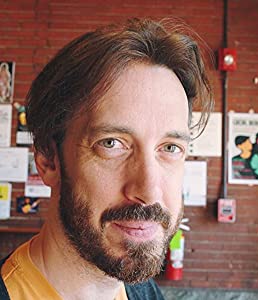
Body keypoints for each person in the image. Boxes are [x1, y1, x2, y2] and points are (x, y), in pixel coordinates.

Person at [0, 18, 213, 299]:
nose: (149, 191)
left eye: (170, 148)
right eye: (112, 144)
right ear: (49, 159)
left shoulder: (145, 293)